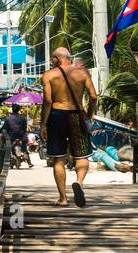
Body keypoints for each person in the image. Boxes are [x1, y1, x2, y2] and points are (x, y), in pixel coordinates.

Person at [41, 47, 98, 206]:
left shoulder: (49, 75)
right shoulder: (82, 74)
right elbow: (93, 96)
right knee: (82, 156)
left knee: (58, 159)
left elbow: (48, 101)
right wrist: (88, 114)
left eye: (52, 59)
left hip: (56, 116)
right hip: (76, 115)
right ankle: (79, 182)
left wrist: (43, 124)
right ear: (69, 58)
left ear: (56, 58)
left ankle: (63, 198)